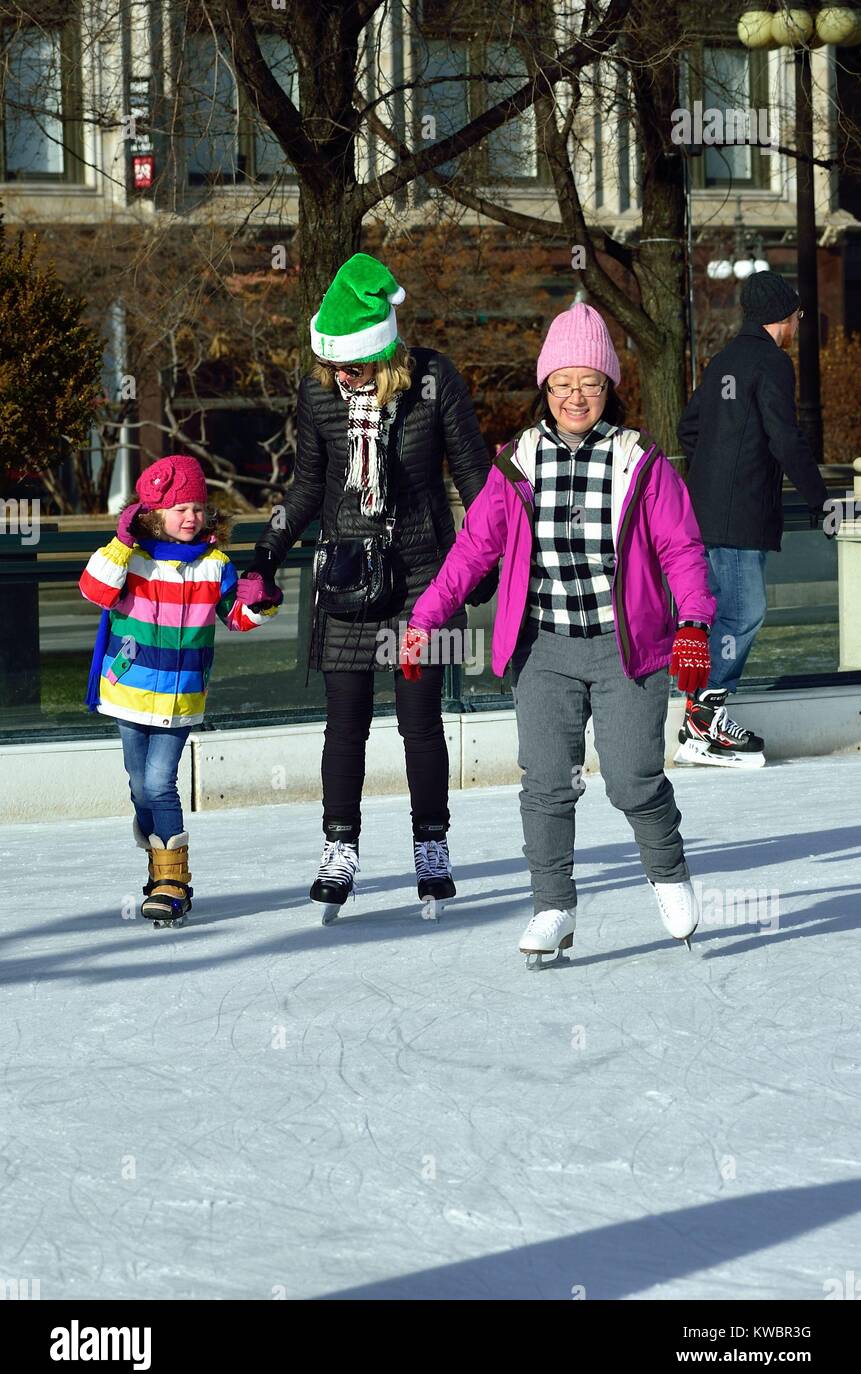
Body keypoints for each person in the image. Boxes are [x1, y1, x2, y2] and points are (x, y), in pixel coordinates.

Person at [401, 302, 717, 967]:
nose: (576, 396)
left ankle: (667, 872)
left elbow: (681, 549)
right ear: (543, 389)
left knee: (632, 781)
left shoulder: (640, 462)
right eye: (562, 383)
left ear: (609, 387)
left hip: (624, 646)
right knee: (546, 783)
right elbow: (470, 553)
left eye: (590, 382)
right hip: (543, 648)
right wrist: (425, 618)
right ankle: (552, 907)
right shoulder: (516, 464)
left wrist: (692, 622)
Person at [240, 253, 494, 920]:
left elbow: (472, 473)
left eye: (353, 366)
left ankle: (431, 846)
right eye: (334, 366)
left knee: (420, 723)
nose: (342, 376)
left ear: (383, 351)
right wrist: (264, 553)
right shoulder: (319, 392)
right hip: (347, 576)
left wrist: (490, 554)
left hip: (423, 578)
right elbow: (305, 486)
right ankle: (339, 847)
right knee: (344, 726)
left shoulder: (433, 380)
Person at [79, 455, 280, 924]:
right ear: (154, 513)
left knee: (157, 783)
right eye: (180, 508)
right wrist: (120, 541)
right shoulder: (135, 559)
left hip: (181, 694)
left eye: (198, 508)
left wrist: (263, 602)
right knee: (138, 786)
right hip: (129, 690)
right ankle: (158, 862)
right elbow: (94, 590)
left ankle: (173, 884)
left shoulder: (215, 565)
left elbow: (236, 618)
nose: (191, 517)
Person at [676, 270, 827, 766]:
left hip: (706, 511)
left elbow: (689, 427)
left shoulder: (724, 360)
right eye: (797, 316)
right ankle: (705, 719)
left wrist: (713, 474)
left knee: (722, 612)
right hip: (741, 512)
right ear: (781, 318)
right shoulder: (771, 362)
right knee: (744, 612)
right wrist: (820, 500)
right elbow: (786, 438)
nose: (797, 325)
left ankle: (700, 718)